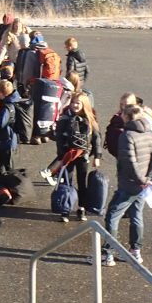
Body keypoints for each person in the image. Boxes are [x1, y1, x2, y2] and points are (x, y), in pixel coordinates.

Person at [102, 104, 152, 267]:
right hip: (144, 186)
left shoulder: (126, 135)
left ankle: (108, 253)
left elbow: (129, 162)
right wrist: (149, 178)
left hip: (129, 185)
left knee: (112, 216)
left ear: (126, 116)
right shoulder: (149, 132)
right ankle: (135, 251)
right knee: (136, 216)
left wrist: (141, 180)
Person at [43, 93, 101, 222]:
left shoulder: (90, 118)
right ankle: (65, 209)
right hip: (68, 154)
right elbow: (59, 137)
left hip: (83, 155)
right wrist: (61, 154)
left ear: (84, 105)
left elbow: (96, 138)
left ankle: (81, 208)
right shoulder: (65, 117)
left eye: (78, 103)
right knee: (66, 182)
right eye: (73, 102)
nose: (75, 105)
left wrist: (97, 156)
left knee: (82, 182)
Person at [0, 81, 21, 181]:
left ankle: (12, 185)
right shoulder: (13, 100)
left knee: (7, 166)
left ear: (2, 93)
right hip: (9, 139)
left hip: (7, 140)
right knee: (0, 164)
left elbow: (0, 123)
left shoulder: (8, 107)